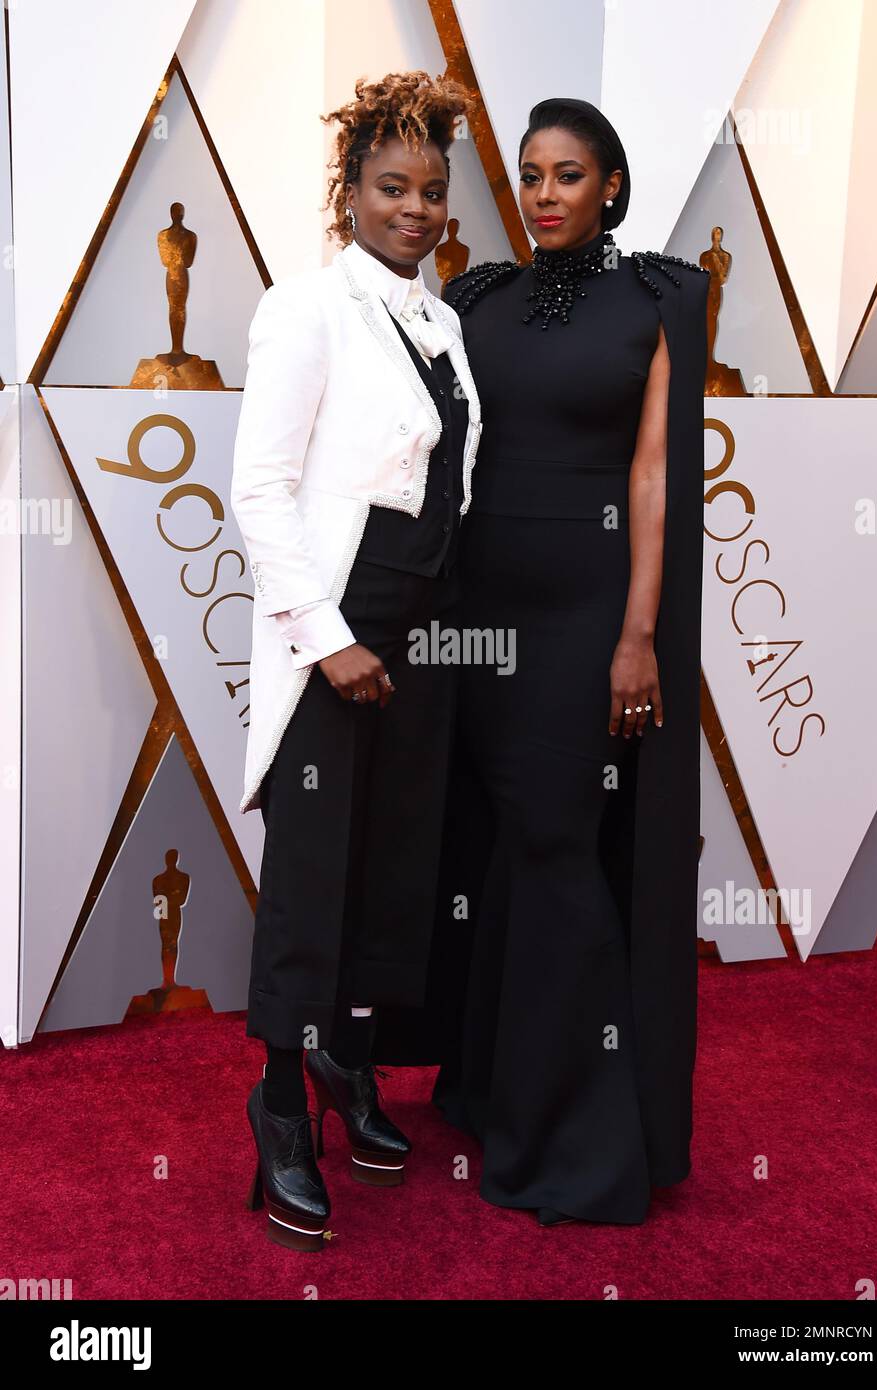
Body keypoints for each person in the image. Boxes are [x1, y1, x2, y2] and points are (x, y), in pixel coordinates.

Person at [431, 97, 709, 1226]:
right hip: (475, 615)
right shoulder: (475, 296)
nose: (545, 193)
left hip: (588, 616)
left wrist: (636, 633)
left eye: (568, 175)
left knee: (555, 844)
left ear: (611, 187)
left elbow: (653, 478)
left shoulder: (659, 297)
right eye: (531, 175)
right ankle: (496, 1088)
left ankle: (583, 1144)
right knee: (498, 845)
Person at [230, 70, 478, 1250]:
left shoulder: (442, 320)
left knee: (394, 872)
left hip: (425, 629)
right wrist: (329, 642)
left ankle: (348, 1059)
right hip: (340, 628)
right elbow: (259, 491)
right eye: (391, 187)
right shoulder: (305, 307)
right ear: (349, 192)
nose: (414, 209)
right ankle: (280, 1107)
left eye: (430, 190)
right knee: (313, 880)